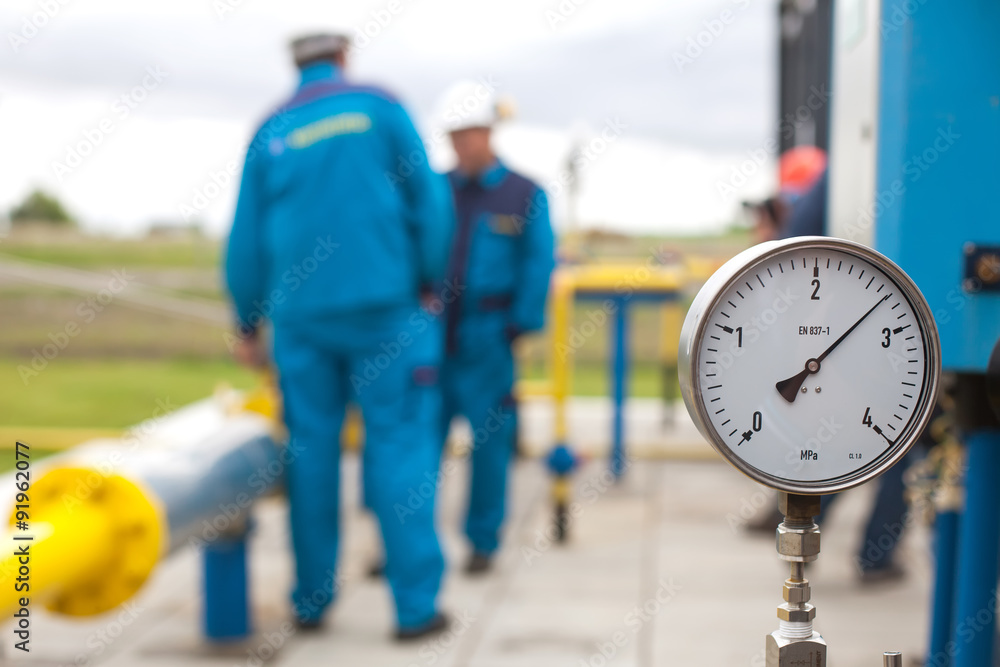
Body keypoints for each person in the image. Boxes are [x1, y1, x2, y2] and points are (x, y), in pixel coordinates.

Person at [225, 32, 453, 639]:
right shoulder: (380, 107)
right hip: (387, 312)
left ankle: (311, 600)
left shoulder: (270, 128)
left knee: (311, 454)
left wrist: (247, 322)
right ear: (344, 59)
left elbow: (245, 237)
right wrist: (429, 282)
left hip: (301, 319)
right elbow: (429, 203)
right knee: (400, 445)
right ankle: (414, 609)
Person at [435, 80, 555, 574]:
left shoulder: (523, 193)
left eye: (473, 134)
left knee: (488, 445)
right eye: (456, 136)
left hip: (488, 336)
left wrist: (518, 324)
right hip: (433, 336)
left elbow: (537, 261)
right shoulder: (436, 190)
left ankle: (482, 540)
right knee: (415, 443)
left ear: (490, 133)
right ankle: (404, 541)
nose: (465, 145)